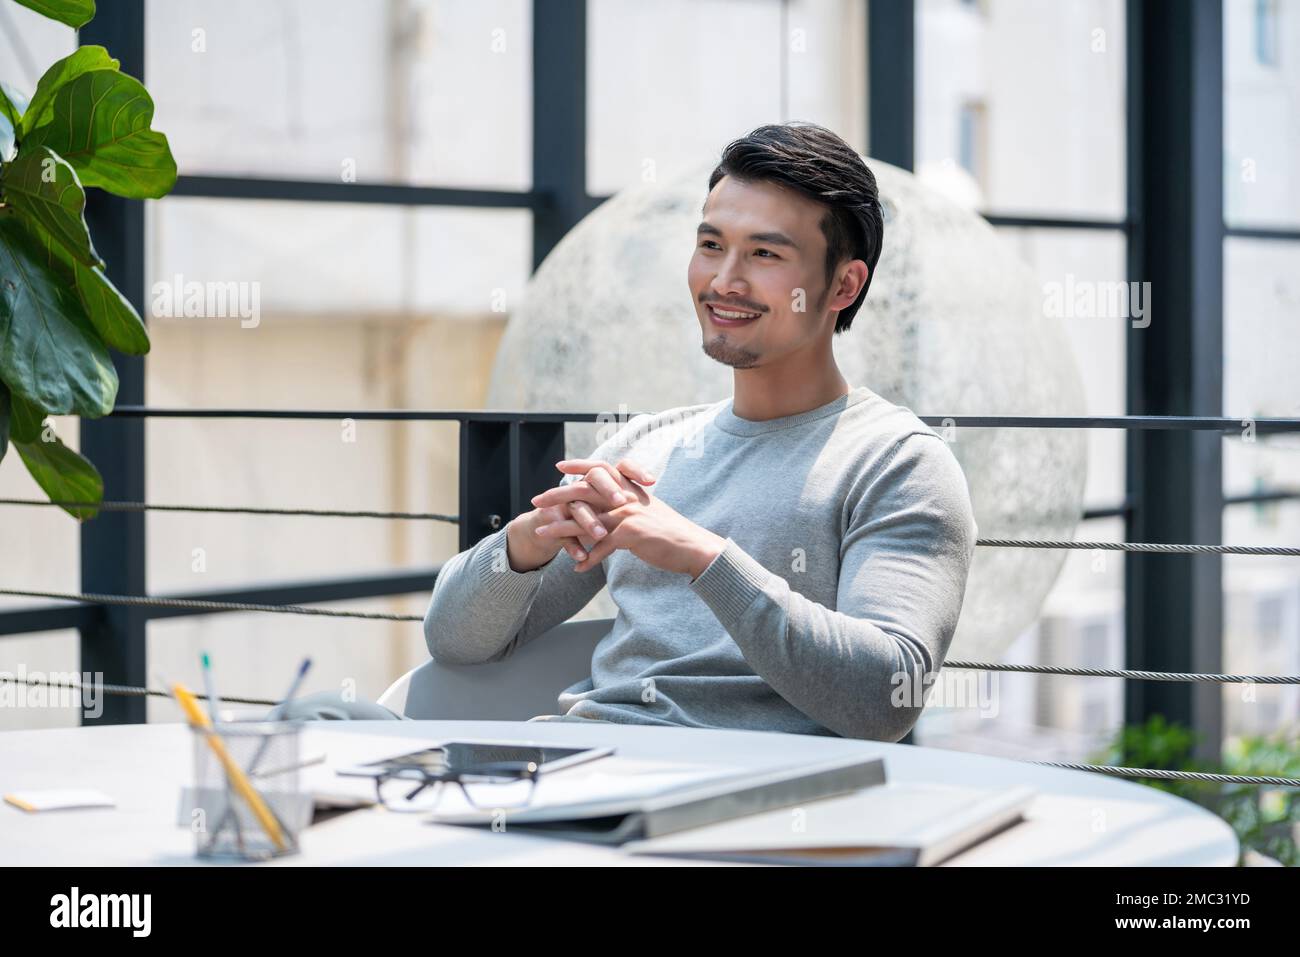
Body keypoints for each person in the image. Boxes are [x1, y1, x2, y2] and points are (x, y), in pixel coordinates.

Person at [278, 122, 978, 741]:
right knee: (312, 721)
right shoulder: (648, 449)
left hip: (738, 802)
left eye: (764, 255)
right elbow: (457, 643)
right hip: (575, 762)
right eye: (711, 245)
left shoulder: (898, 462)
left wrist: (704, 557)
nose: (723, 280)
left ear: (843, 285)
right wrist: (523, 547)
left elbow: (888, 694)